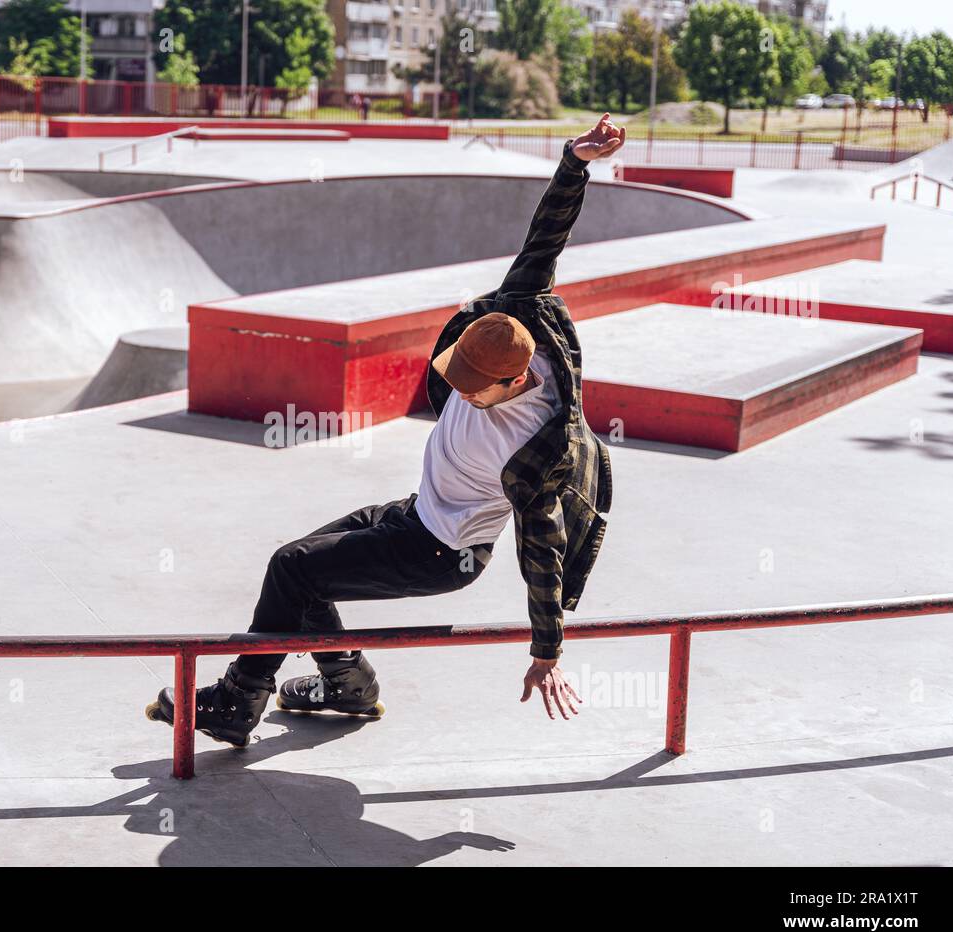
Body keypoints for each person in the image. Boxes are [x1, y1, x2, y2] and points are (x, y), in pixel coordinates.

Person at [147, 114, 626, 748]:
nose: (457, 393)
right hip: (412, 513)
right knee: (298, 570)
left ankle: (238, 704)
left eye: (471, 391)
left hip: (441, 552)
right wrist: (575, 161)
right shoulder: (519, 314)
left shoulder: (536, 453)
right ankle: (348, 686)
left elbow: (542, 550)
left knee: (293, 569)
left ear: (514, 386)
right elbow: (546, 236)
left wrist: (548, 650)